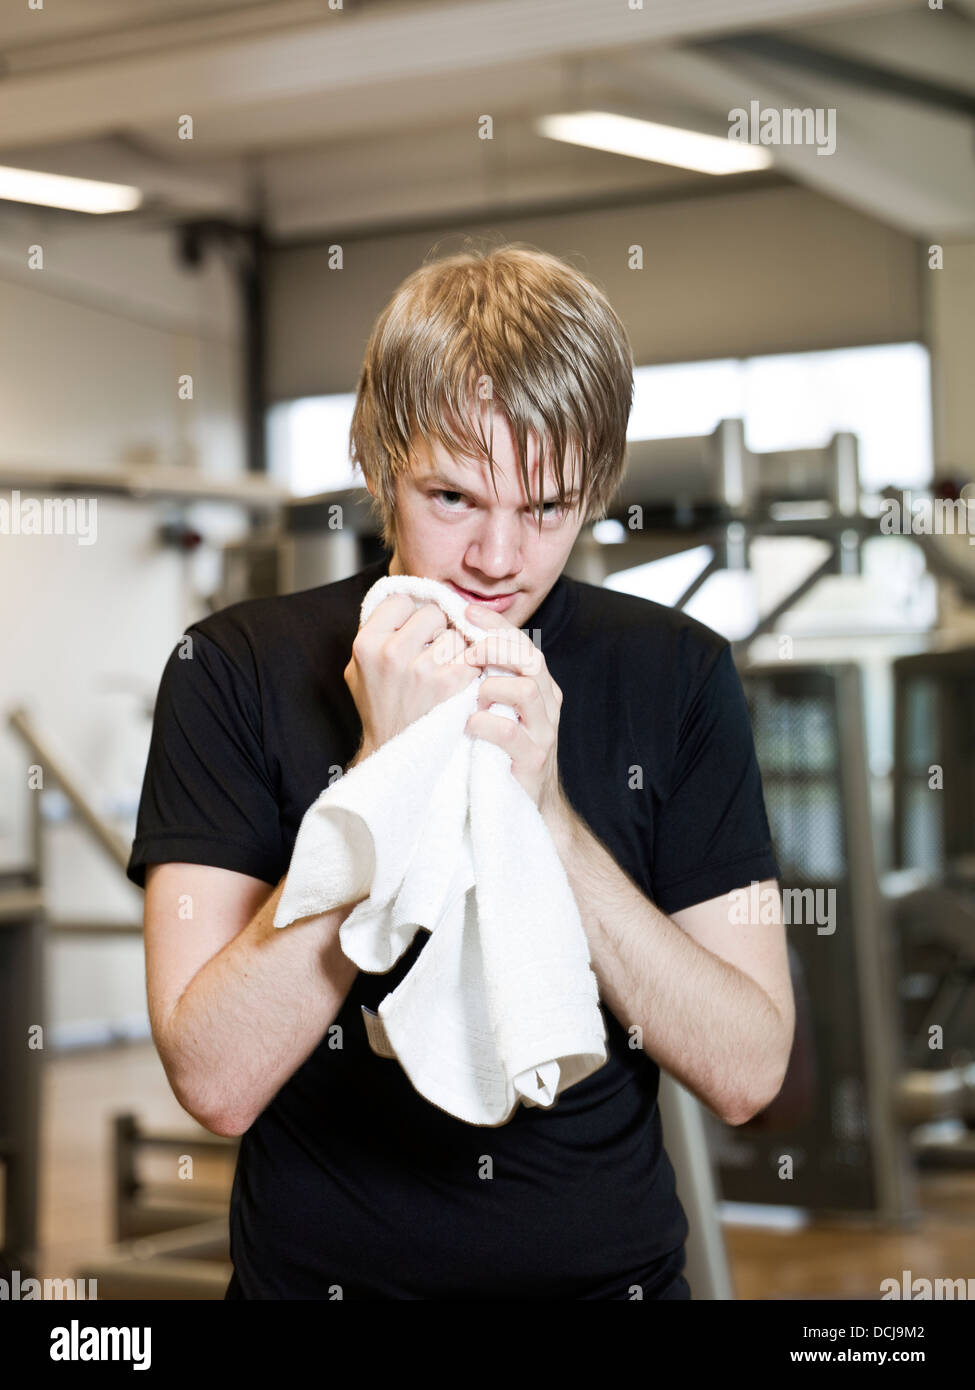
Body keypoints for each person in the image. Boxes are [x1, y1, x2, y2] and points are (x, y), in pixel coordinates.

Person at [126, 243, 795, 1300]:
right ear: (377, 456)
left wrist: (548, 814)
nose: (497, 558)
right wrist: (382, 780)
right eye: (452, 497)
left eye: (546, 509)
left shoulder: (676, 673)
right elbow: (216, 1078)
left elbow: (748, 1069)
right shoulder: (234, 672)